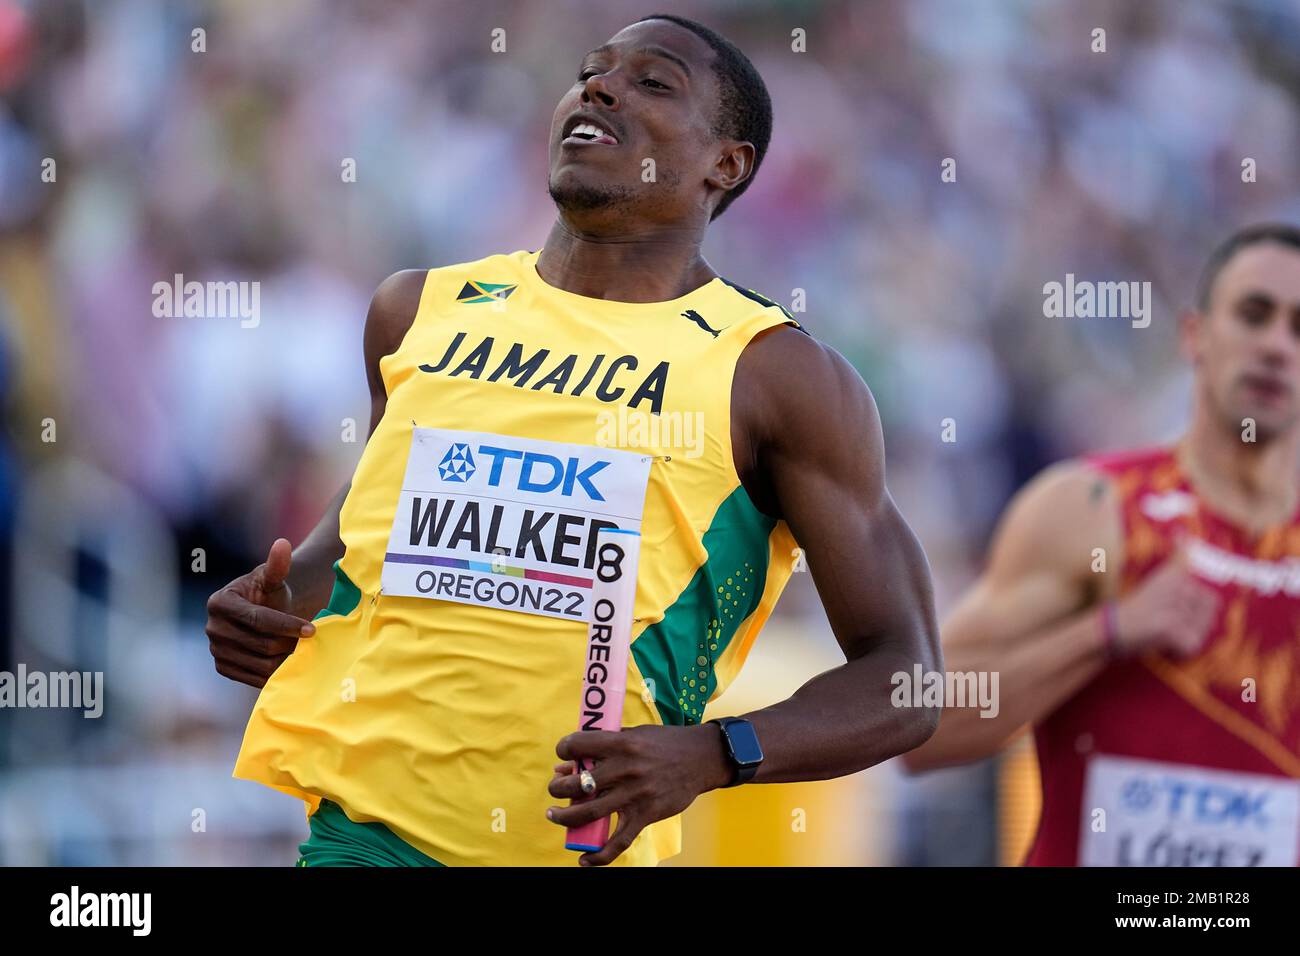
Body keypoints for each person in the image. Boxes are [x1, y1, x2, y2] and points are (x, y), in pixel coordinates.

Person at [208, 13, 940, 867]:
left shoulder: (775, 376)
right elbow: (349, 552)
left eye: (653, 82)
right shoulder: (418, 312)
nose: (600, 88)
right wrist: (273, 605)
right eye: (592, 72)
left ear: (725, 163)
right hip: (366, 844)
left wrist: (715, 754)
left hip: (581, 853)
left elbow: (909, 677)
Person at [904, 224, 1300, 867]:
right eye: (1254, 315)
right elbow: (920, 724)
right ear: (1196, 335)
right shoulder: (1093, 513)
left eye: (1298, 327)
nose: (1277, 346)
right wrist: (1108, 632)